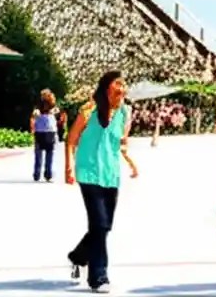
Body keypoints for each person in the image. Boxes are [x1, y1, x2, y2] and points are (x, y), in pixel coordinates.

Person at [64, 71, 138, 293]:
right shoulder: (90, 109)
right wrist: (69, 166)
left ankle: (78, 256)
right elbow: (72, 139)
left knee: (104, 226)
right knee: (99, 224)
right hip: (88, 172)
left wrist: (131, 163)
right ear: (107, 87)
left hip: (111, 174)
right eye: (118, 84)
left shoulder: (125, 112)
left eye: (124, 85)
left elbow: (121, 143)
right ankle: (98, 277)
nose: (122, 89)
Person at [31, 89, 63, 182]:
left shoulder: (46, 105)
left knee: (39, 154)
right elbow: (35, 113)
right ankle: (47, 174)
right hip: (48, 131)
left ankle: (38, 174)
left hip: (42, 131)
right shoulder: (49, 106)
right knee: (48, 153)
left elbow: (57, 112)